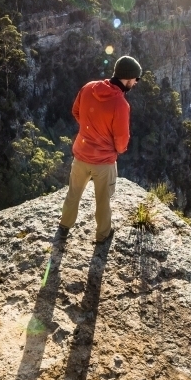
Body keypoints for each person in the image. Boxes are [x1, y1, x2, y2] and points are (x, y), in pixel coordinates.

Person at [58, 55, 142, 243]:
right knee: (103, 202)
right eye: (136, 79)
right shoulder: (121, 104)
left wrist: (90, 131)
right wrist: (113, 146)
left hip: (80, 155)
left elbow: (76, 111)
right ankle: (103, 235)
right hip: (103, 163)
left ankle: (64, 227)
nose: (136, 83)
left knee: (73, 193)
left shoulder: (89, 87)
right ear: (128, 78)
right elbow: (121, 142)